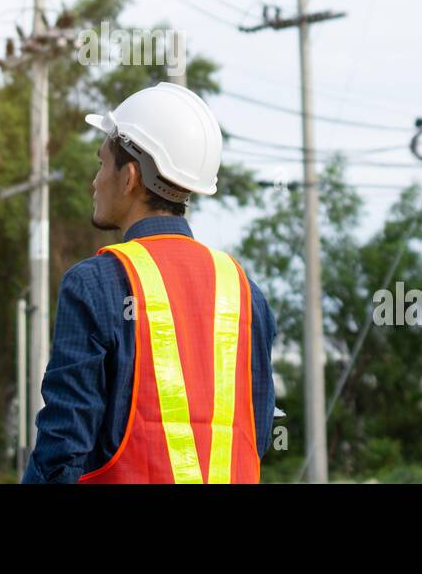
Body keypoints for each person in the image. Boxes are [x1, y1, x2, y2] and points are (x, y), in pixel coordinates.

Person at [21, 81, 277, 484]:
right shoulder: (246, 292)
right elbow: (255, 435)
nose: (95, 180)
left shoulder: (95, 283)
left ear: (130, 178)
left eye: (102, 163)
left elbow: (62, 449)